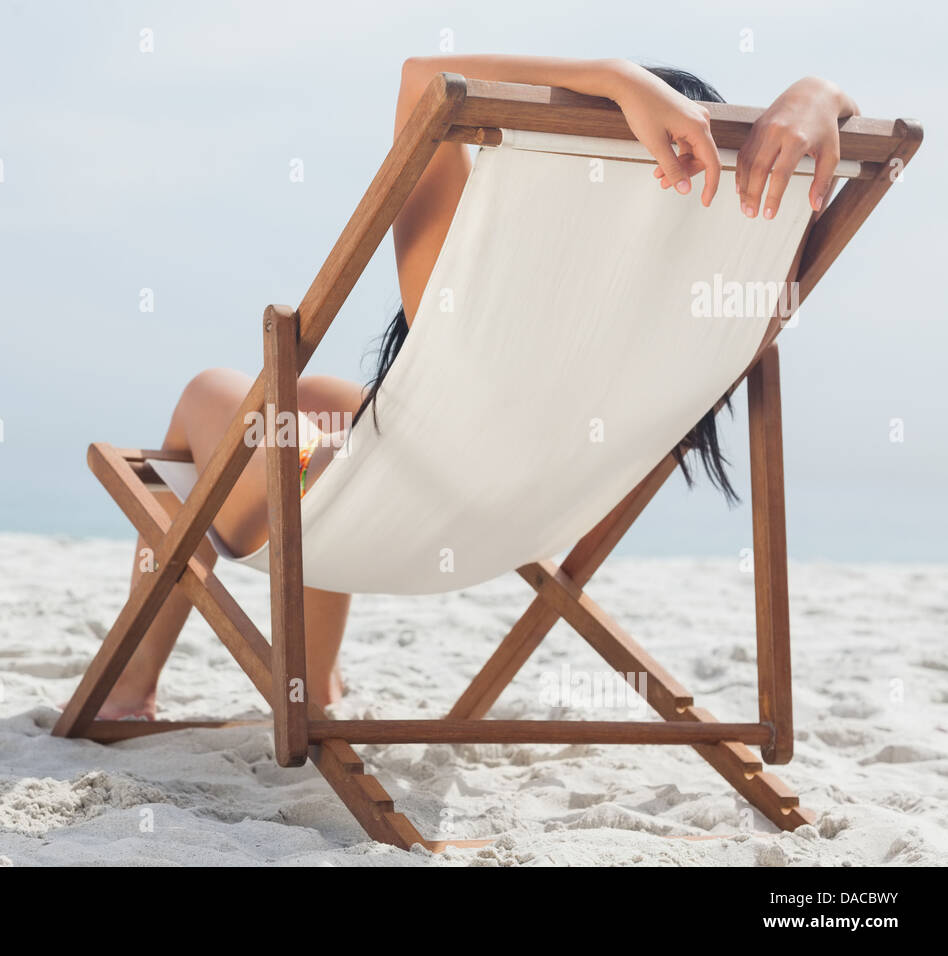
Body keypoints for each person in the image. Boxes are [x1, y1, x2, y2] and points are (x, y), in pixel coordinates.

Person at [96, 55, 860, 721]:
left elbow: (424, 80)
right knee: (323, 402)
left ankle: (129, 689)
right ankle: (317, 684)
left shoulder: (480, 295)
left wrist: (613, 79)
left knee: (210, 396)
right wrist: (817, 94)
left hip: (361, 521)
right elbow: (851, 159)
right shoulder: (717, 318)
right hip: (510, 528)